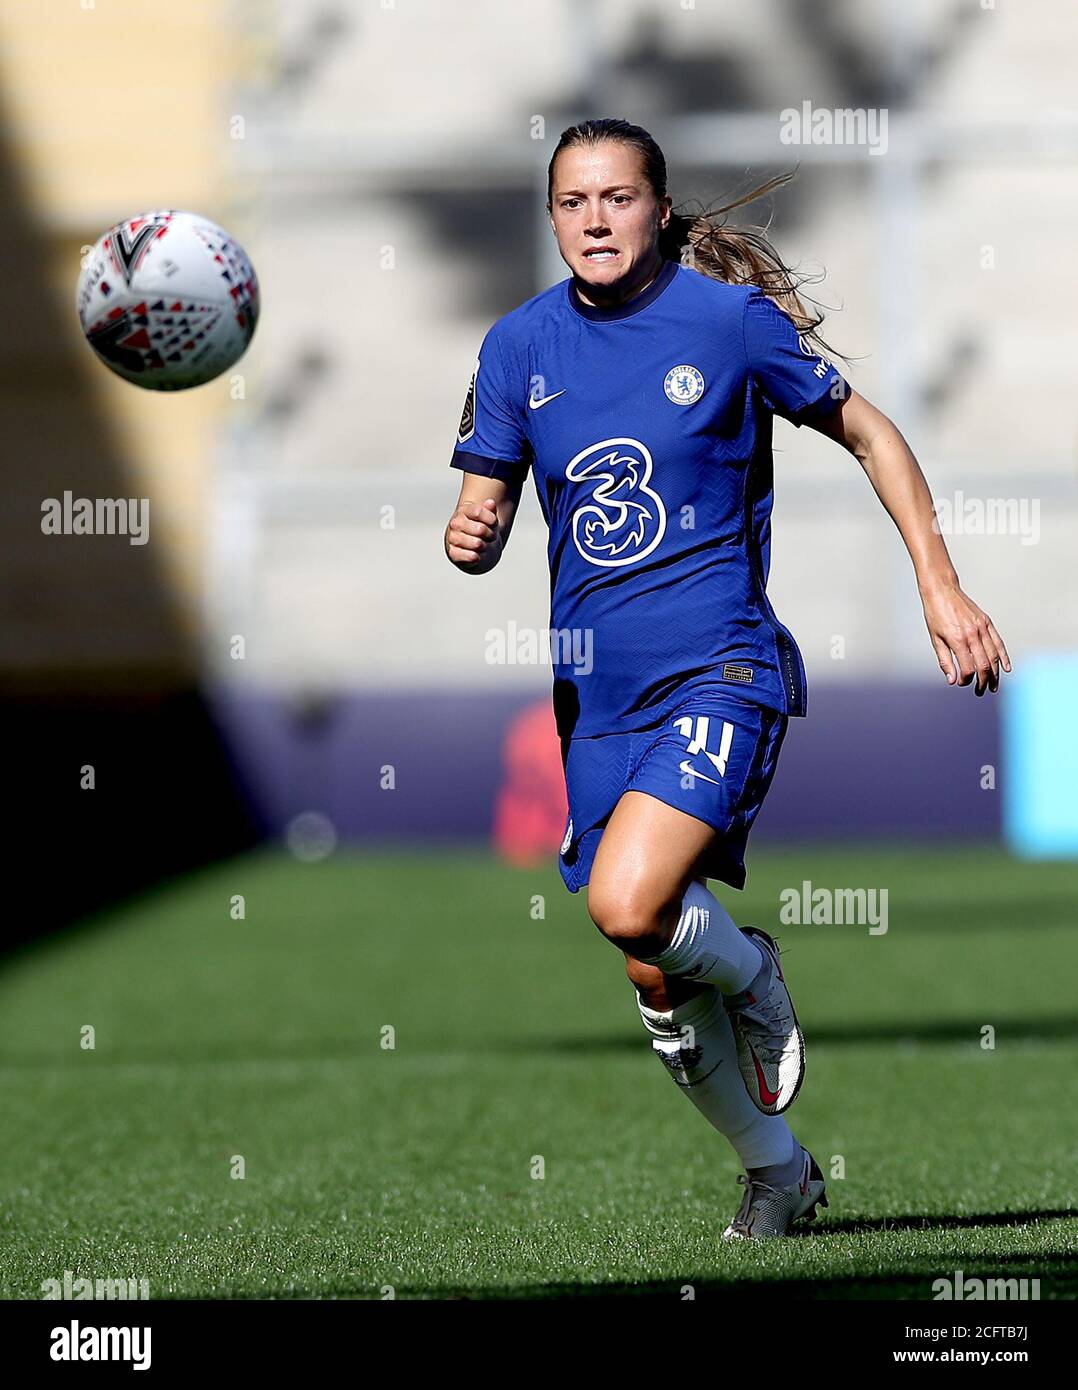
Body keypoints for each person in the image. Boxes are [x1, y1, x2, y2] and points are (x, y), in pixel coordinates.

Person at [442, 118, 1010, 1239]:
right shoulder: (517, 346)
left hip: (721, 666)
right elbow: (484, 505)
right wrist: (473, 526)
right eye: (571, 202)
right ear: (550, 216)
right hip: (595, 698)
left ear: (658, 209)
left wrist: (938, 586)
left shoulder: (728, 322)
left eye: (616, 198)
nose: (594, 220)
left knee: (628, 902)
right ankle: (778, 1168)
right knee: (650, 968)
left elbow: (871, 433)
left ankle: (751, 970)